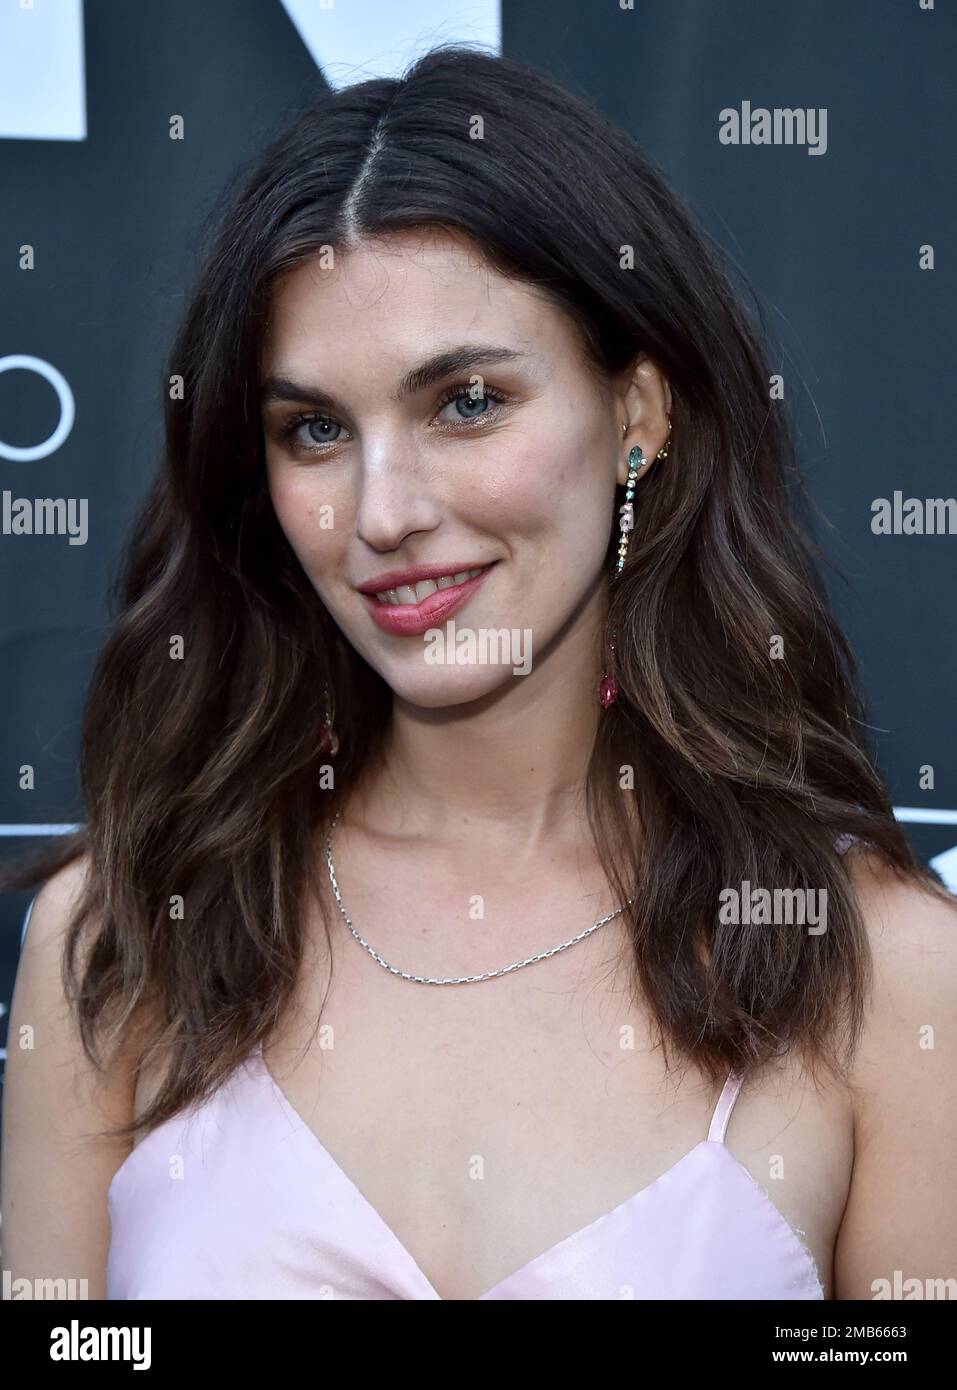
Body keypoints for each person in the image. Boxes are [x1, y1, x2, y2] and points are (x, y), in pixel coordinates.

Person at [2, 44, 955, 1302]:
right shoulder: (128, 932)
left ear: (640, 415)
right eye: (316, 430)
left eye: (464, 401)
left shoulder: (883, 967)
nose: (382, 511)